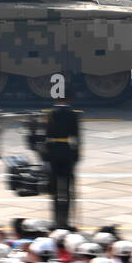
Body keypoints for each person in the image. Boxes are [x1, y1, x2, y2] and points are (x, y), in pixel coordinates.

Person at [40, 98, 80, 229]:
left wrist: (45, 158)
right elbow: (77, 137)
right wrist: (76, 157)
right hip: (67, 152)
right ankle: (66, 222)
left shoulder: (50, 114)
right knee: (67, 191)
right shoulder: (73, 114)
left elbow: (45, 136)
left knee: (55, 191)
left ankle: (56, 222)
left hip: (53, 153)